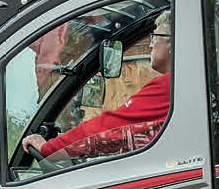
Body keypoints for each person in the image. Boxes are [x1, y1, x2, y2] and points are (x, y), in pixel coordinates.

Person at [22, 11, 173, 161]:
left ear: (173, 43)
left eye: (155, 36)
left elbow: (110, 127)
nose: (150, 44)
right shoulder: (180, 85)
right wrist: (65, 141)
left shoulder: (169, 86)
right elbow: (130, 135)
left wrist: (49, 149)